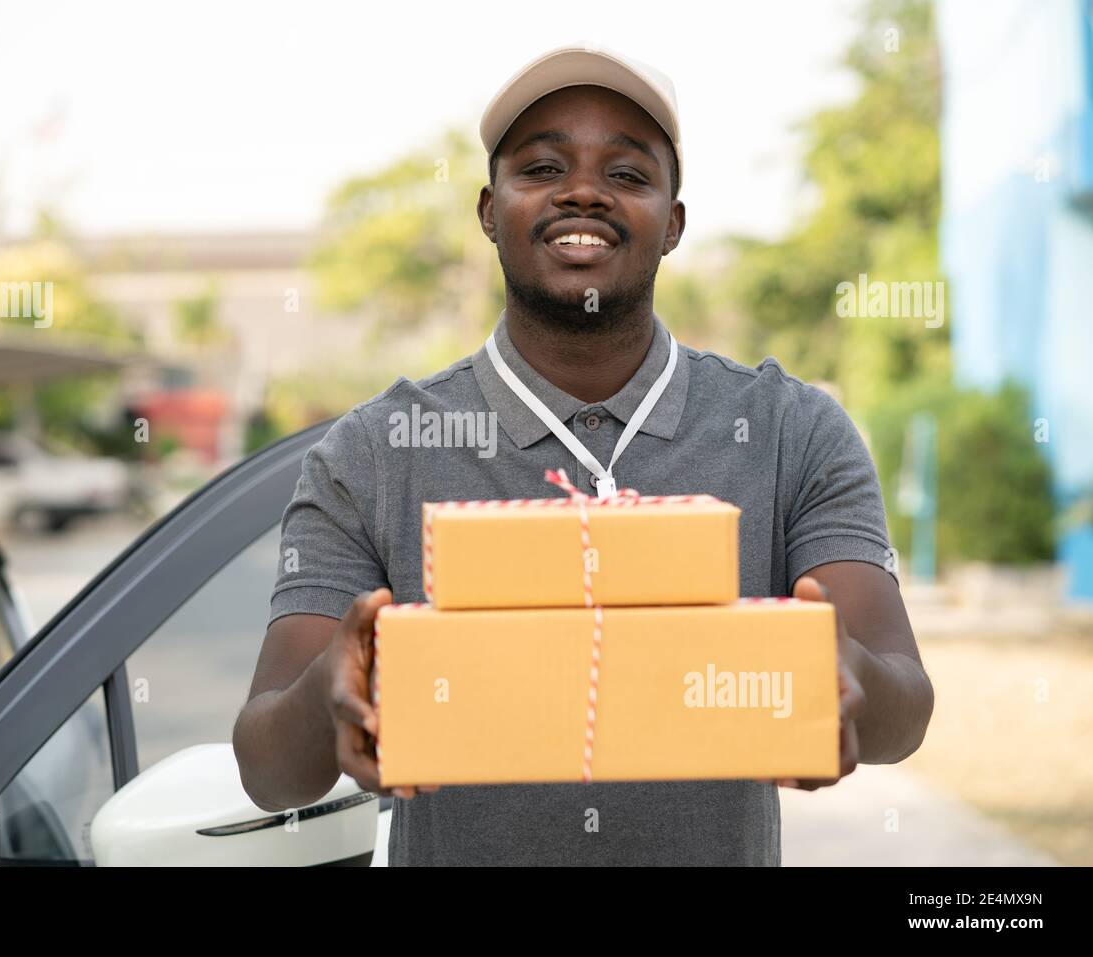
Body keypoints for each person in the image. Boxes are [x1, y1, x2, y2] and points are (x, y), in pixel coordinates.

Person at [233, 41, 935, 866]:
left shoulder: (794, 429)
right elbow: (266, 768)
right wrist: (329, 692)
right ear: (489, 210)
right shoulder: (372, 452)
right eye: (542, 167)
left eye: (630, 175)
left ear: (673, 224)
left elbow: (905, 707)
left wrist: (836, 671)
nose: (583, 193)